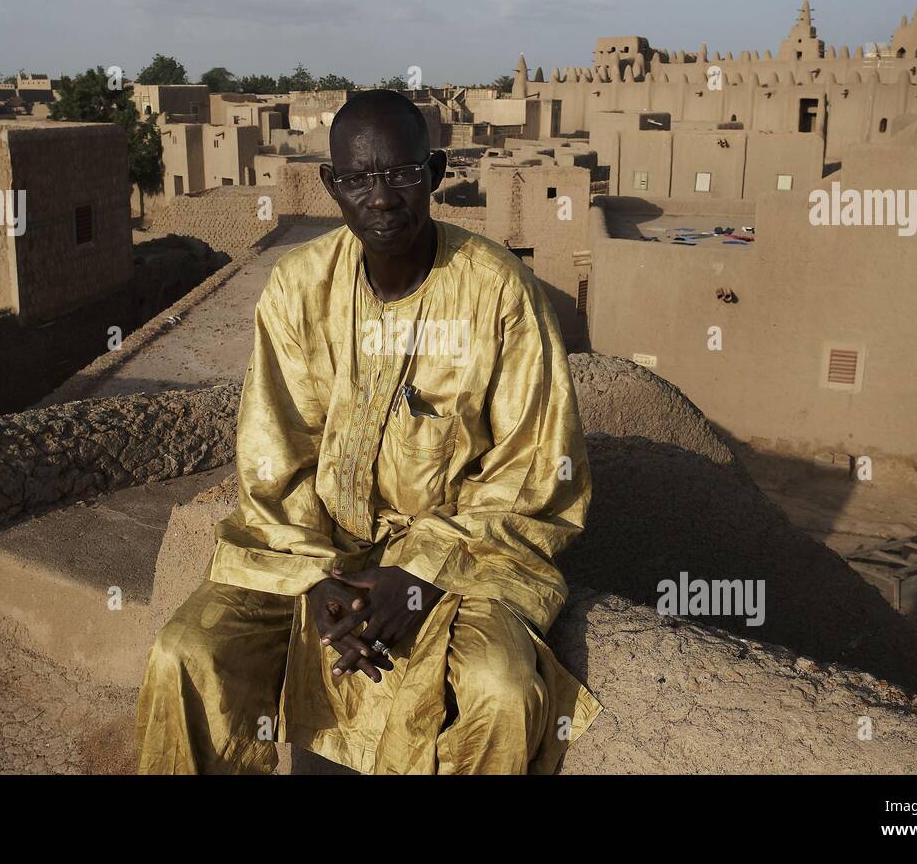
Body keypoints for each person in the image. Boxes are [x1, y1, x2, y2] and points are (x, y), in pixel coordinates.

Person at [135, 88, 598, 774]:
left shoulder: (498, 292)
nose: (381, 199)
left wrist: (414, 577)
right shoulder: (297, 288)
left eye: (401, 174)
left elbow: (534, 477)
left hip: (460, 559)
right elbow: (274, 459)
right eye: (356, 179)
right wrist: (318, 579)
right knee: (187, 653)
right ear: (330, 185)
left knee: (501, 689)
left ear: (436, 173)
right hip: (303, 552)